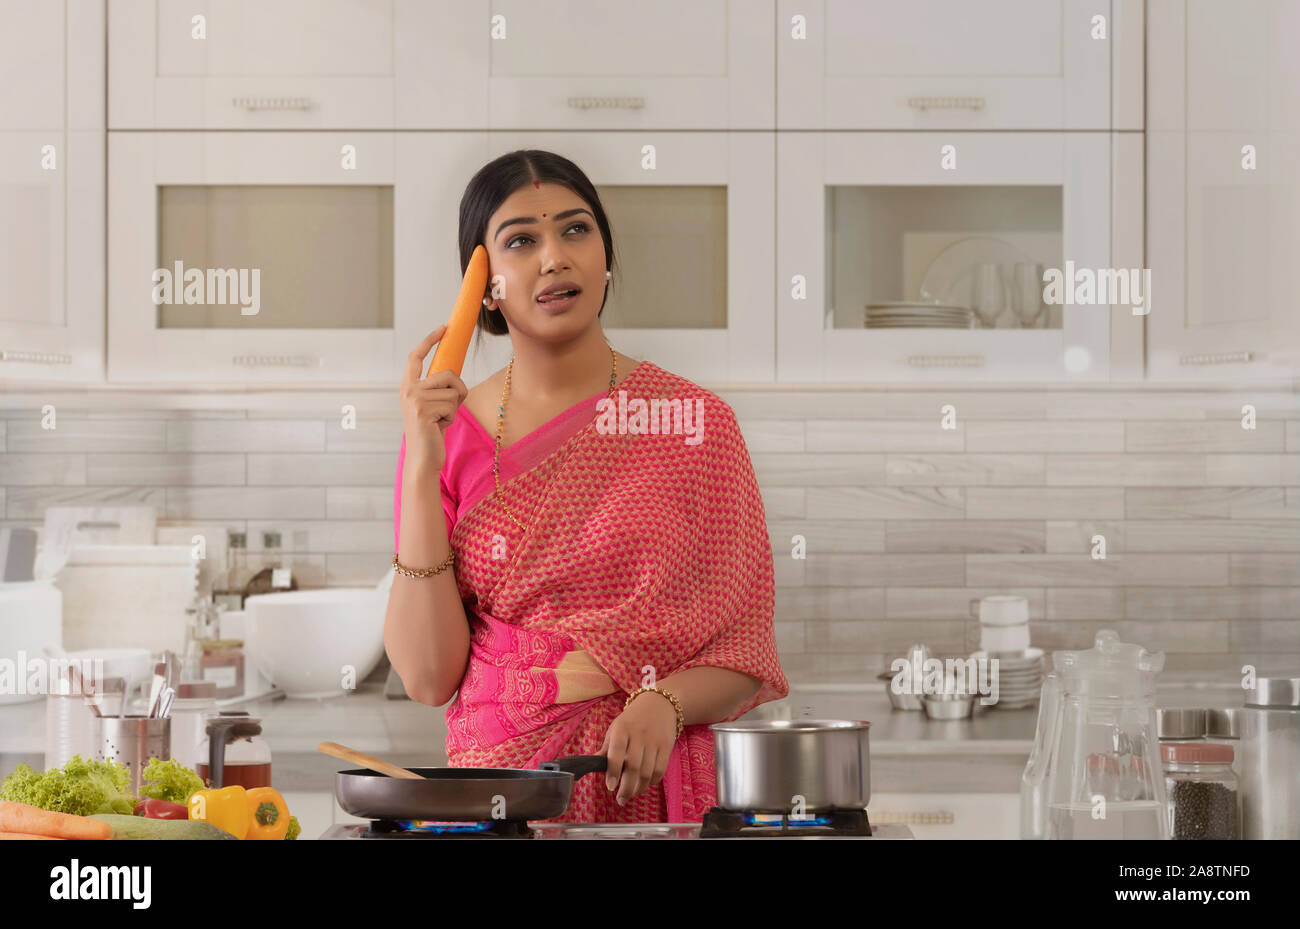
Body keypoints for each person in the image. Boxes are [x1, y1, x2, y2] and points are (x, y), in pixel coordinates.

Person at [385, 149, 788, 823]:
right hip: (503, 793)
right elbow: (429, 677)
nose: (554, 257)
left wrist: (667, 699)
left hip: (645, 788)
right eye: (521, 241)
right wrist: (424, 465)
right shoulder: (445, 435)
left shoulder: (694, 424)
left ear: (605, 257)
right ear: (484, 285)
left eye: (576, 230)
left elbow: (744, 646)